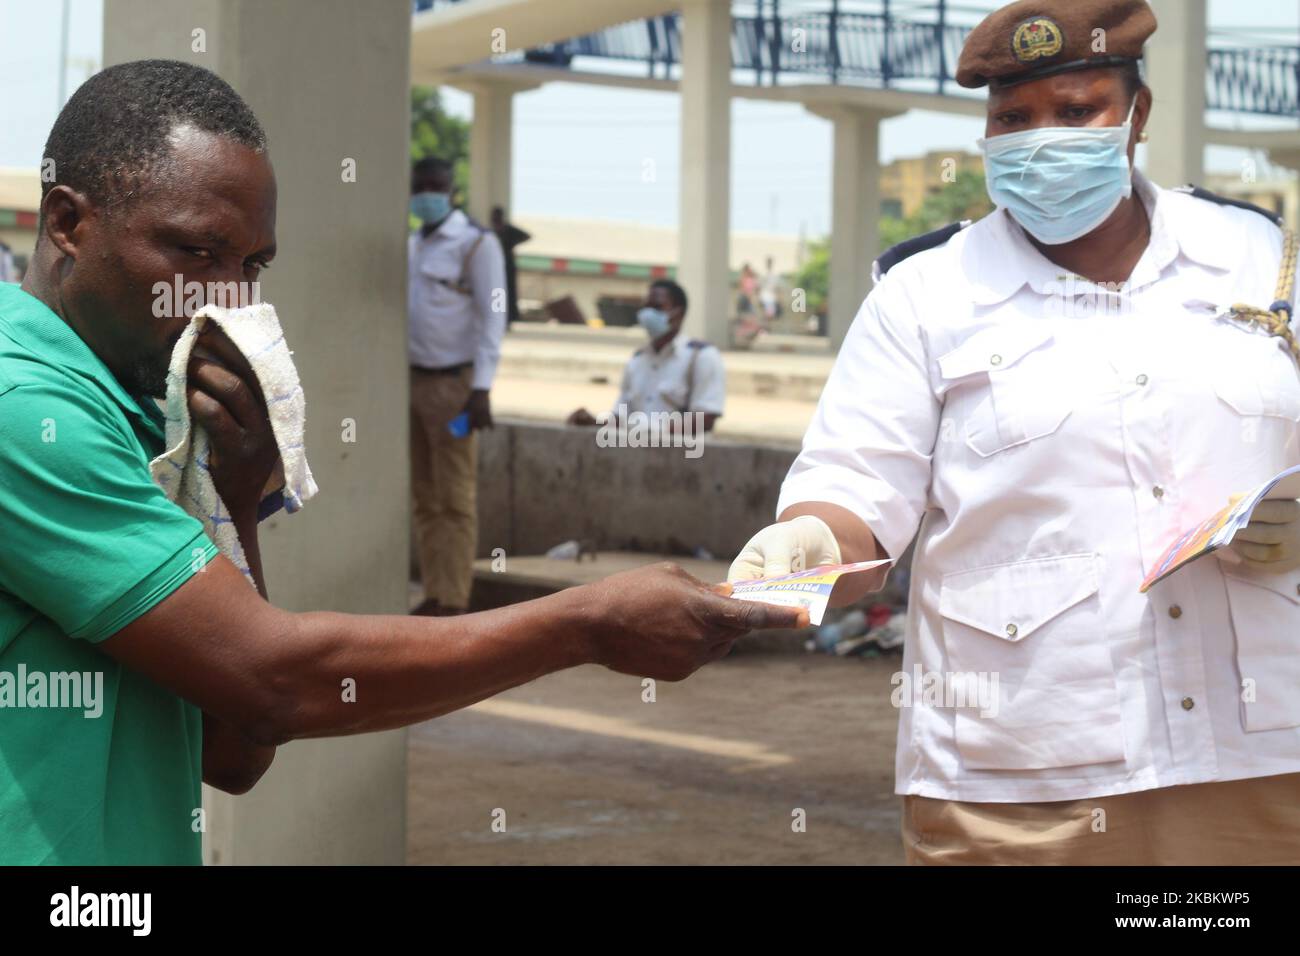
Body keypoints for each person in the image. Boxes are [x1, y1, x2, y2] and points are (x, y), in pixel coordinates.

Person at [0, 59, 805, 866]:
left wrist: (238, 499)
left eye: (252, 266)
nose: (228, 302)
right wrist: (585, 624)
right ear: (69, 223)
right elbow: (272, 681)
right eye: (197, 251)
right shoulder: (26, 411)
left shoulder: (136, 406)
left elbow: (234, 753)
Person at [729, 0, 1300, 865]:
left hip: (1261, 759)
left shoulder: (1259, 258)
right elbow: (855, 497)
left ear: (1136, 115)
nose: (1044, 140)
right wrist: (795, 556)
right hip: (1024, 779)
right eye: (1014, 119)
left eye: (1077, 112)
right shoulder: (925, 296)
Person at [408, 157, 502, 617]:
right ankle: (434, 592)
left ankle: (455, 600)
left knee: (456, 498)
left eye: (436, 186)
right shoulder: (412, 246)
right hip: (411, 383)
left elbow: (492, 319)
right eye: (420, 186)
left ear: (452, 191)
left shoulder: (475, 245)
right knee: (425, 495)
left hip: (456, 389)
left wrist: (481, 388)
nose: (427, 194)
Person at [568, 278, 725, 433]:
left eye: (657, 307)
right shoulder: (638, 360)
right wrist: (594, 422)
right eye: (646, 307)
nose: (648, 314)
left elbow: (706, 419)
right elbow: (622, 416)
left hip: (683, 455)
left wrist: (653, 431)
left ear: (679, 312)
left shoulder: (701, 357)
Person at [490, 204, 531, 329]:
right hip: (496, 266)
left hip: (507, 267)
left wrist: (512, 244)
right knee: (498, 293)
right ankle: (497, 317)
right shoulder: (492, 232)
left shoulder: (508, 229)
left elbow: (526, 236)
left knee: (509, 294)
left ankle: (508, 319)